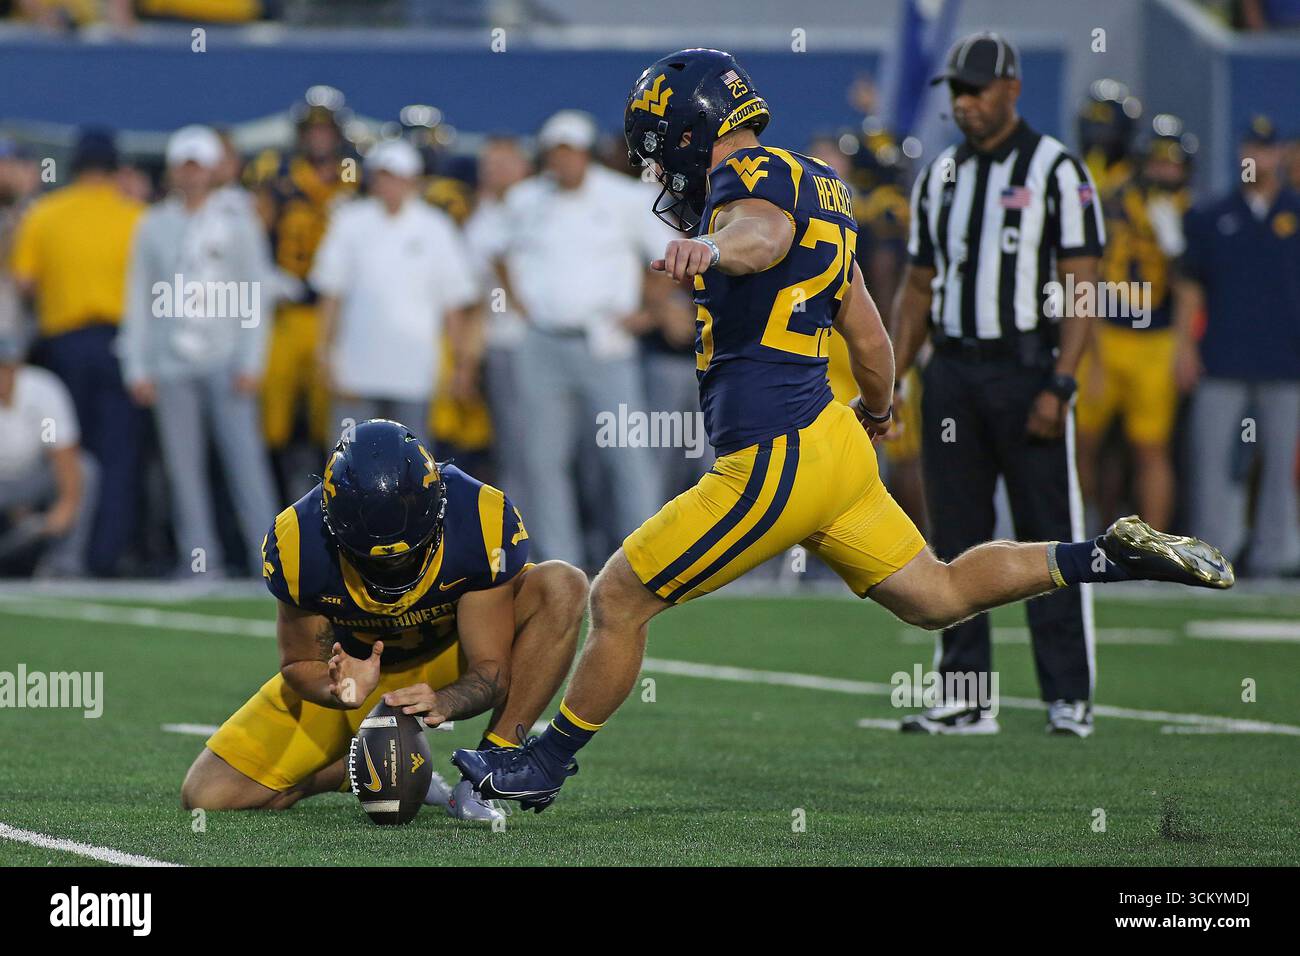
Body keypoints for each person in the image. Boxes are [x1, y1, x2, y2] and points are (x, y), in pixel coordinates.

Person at [451, 49, 1233, 811]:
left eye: (661, 146)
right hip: (836, 444)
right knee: (937, 593)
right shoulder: (823, 186)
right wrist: (881, 411)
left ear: (694, 129)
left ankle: (542, 764)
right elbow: (871, 337)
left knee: (619, 596)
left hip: (772, 455)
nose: (660, 166)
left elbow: (761, 236)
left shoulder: (747, 183)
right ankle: (1104, 554)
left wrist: (712, 247)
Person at [180, 419, 588, 823]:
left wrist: (446, 700)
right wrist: (336, 686)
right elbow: (299, 662)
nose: (395, 566)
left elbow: (490, 670)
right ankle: (375, 771)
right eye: (374, 558)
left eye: (410, 552)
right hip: (357, 669)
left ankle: (490, 769)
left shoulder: (478, 518)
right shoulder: (299, 541)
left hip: (451, 653)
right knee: (208, 794)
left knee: (561, 585)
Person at [891, 33, 1114, 736]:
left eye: (976, 90)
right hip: (952, 372)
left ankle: (1068, 694)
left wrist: (1062, 382)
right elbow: (918, 286)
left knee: (1050, 534)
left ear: (1012, 89)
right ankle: (966, 696)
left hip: (1026, 369)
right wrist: (890, 378)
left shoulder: (1057, 169)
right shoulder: (940, 174)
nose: (963, 103)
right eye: (956, 91)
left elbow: (1082, 284)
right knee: (955, 537)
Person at [476, 109, 668, 567]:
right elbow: (495, 250)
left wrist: (648, 312)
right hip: (540, 342)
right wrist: (517, 302)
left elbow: (665, 255)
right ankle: (562, 566)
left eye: (570, 152)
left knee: (626, 454)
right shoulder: (525, 198)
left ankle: (647, 563)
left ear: (586, 154)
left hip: (606, 342)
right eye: (555, 153)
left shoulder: (624, 196)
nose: (562, 161)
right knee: (543, 460)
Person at [120, 124, 278, 578]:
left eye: (198, 166)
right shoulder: (153, 224)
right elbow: (139, 297)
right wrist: (137, 365)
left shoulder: (238, 222)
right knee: (182, 469)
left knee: (245, 463)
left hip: (227, 359)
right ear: (173, 170)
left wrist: (251, 359)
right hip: (171, 362)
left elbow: (255, 294)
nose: (190, 175)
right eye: (183, 166)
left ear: (211, 170)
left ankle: (271, 562)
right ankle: (199, 562)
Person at [8, 127, 144, 576]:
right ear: (115, 168)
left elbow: (25, 282)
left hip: (64, 345)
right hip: (121, 345)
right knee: (118, 455)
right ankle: (106, 556)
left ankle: (62, 553)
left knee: (66, 450)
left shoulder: (46, 214)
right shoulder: (136, 215)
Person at [1177, 115, 1300, 577]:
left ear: (1280, 154)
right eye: (1250, 149)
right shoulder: (1211, 216)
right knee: (1214, 462)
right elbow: (1190, 288)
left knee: (1281, 465)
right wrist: (1185, 347)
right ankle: (1214, 550)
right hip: (1223, 358)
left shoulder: (1296, 213)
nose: (1257, 158)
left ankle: (1277, 554)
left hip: (1286, 360)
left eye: (1265, 149)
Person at [311, 139, 479, 447]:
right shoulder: (349, 221)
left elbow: (454, 303)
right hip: (356, 369)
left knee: (414, 461)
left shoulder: (435, 227)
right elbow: (331, 294)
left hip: (414, 371)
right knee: (347, 458)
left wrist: (461, 365)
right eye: (383, 176)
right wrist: (324, 353)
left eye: (397, 177)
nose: (389, 185)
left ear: (412, 180)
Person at [1076, 117, 1195, 533]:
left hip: (1156, 341)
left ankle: (1155, 547)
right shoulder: (1109, 200)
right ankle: (1079, 534)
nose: (1165, 171)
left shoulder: (1189, 212)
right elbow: (1084, 274)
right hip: (1106, 334)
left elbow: (1190, 287)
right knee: (1082, 443)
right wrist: (1088, 350)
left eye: (1173, 164)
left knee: (1150, 449)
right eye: (1158, 162)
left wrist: (1176, 247)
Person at [0, 329, 96, 577]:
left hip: (33, 475)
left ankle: (63, 565)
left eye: (4, 367)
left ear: (15, 366)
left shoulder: (40, 392)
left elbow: (59, 451)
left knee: (85, 469)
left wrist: (66, 505)